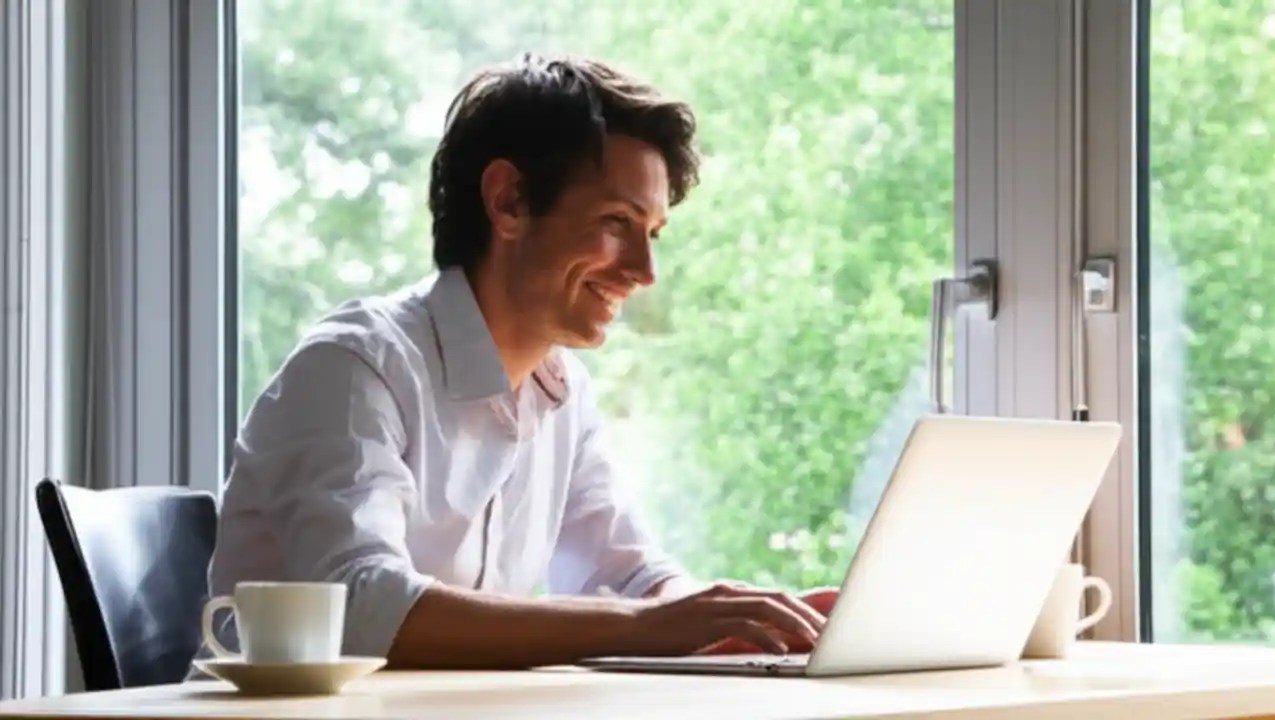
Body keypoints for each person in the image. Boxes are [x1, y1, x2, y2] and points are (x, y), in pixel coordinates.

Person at [207, 53, 837, 670]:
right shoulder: (353, 369)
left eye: (654, 233)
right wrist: (657, 626)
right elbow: (363, 608)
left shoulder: (563, 392)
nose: (646, 272)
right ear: (509, 201)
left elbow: (627, 574)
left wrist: (743, 622)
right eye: (617, 222)